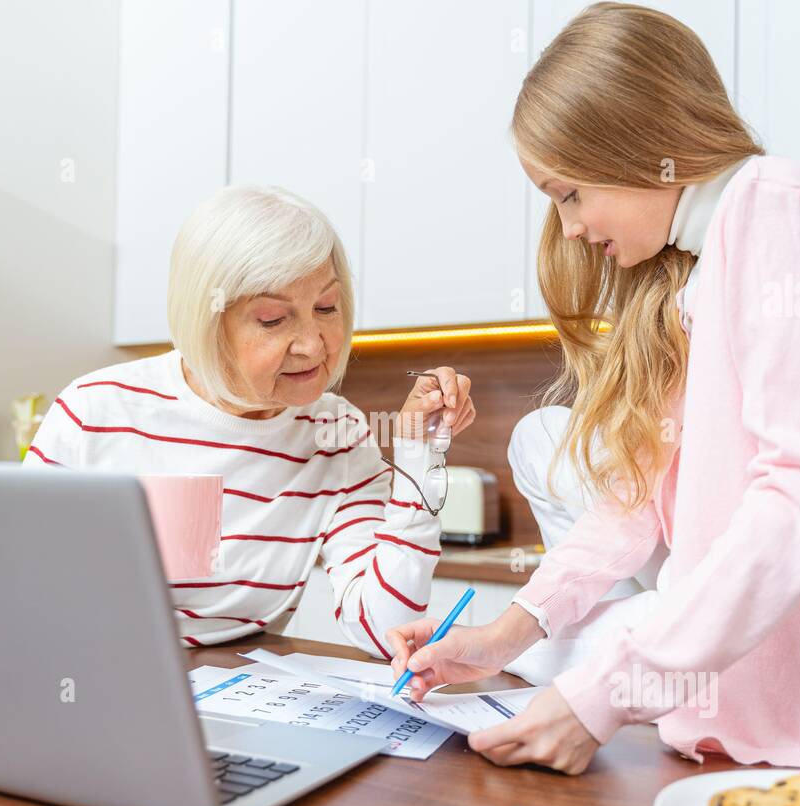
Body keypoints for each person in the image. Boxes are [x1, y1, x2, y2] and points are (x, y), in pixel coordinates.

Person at [387, 2, 800, 774]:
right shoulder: (697, 278)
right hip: (733, 726)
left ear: (634, 141)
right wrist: (502, 638)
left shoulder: (778, 208)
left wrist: (606, 696)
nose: (569, 228)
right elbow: (634, 503)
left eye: (569, 193)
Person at [26, 183, 474, 656]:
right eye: (273, 319)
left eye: (326, 308)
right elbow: (16, 586)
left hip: (236, 686)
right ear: (207, 321)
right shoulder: (96, 411)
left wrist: (418, 456)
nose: (313, 344)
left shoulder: (338, 435)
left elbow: (387, 631)